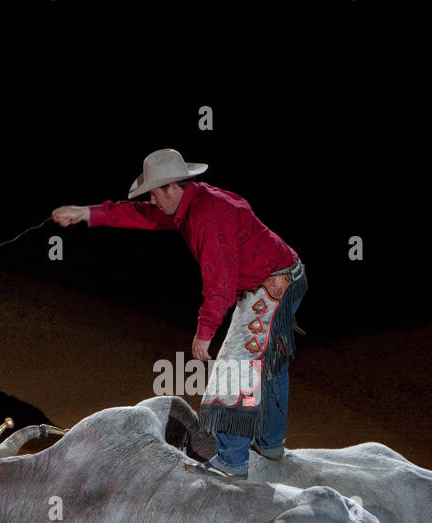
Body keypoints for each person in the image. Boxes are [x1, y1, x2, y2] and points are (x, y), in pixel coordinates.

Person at [51, 148, 307, 478]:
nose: (152, 201)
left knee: (234, 366)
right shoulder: (188, 202)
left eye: (154, 194)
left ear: (172, 187)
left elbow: (221, 284)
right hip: (282, 273)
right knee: (268, 361)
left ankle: (232, 461)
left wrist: (205, 331)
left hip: (275, 283)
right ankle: (269, 444)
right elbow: (140, 214)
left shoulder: (207, 217)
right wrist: (86, 213)